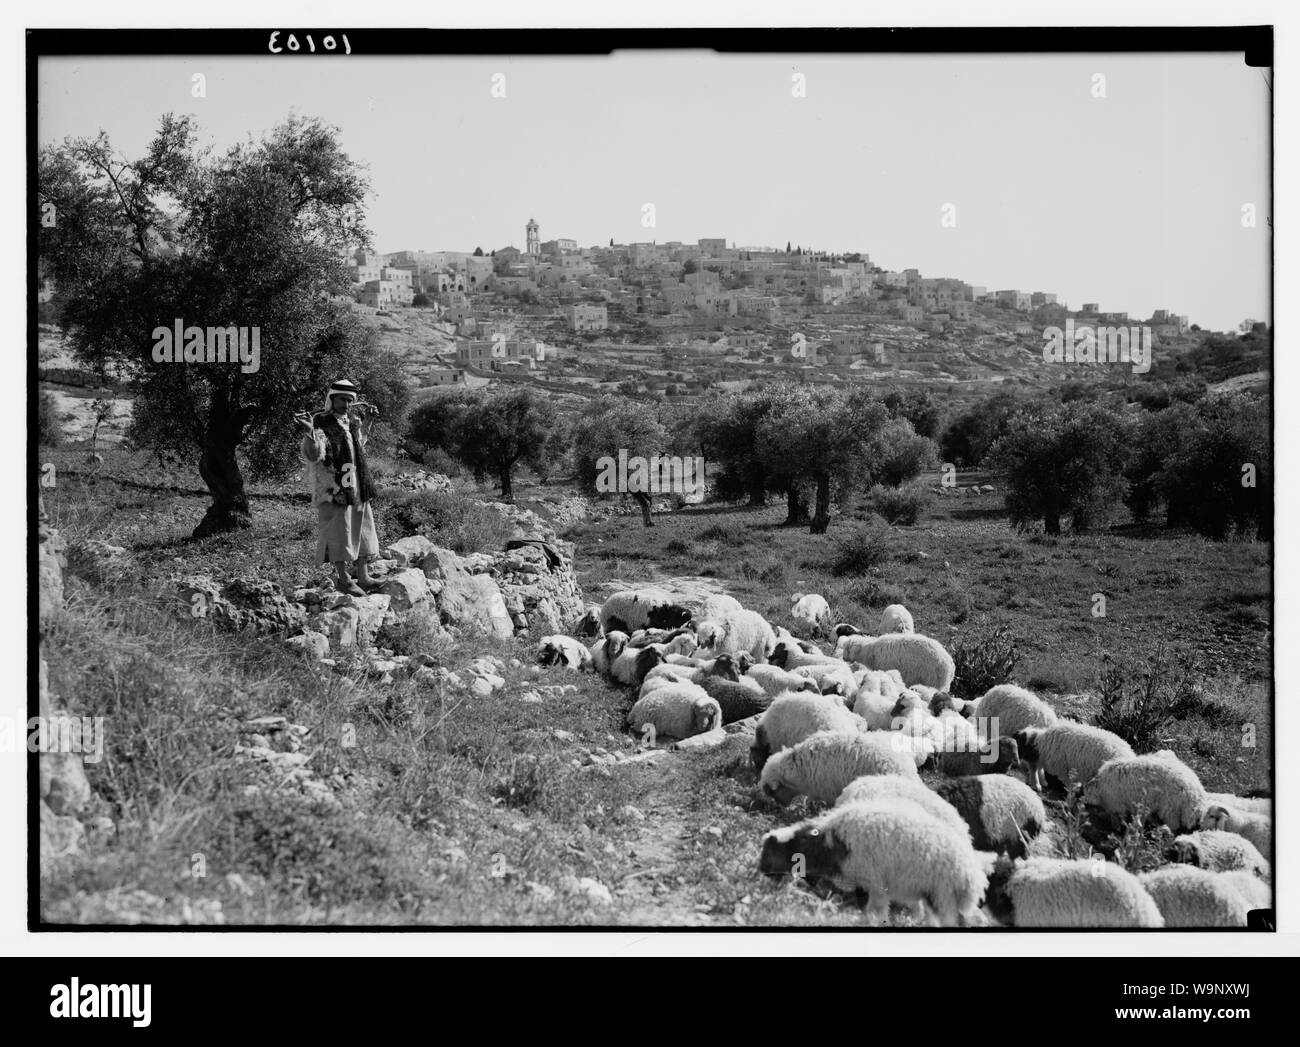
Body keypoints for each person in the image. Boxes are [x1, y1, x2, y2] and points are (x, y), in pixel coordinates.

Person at [295, 379, 381, 595]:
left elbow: (357, 445)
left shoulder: (351, 420)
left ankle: (363, 576)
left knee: (362, 526)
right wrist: (309, 433)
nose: (346, 404)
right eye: (342, 399)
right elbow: (314, 455)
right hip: (333, 487)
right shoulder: (321, 422)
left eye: (350, 400)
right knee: (339, 530)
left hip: (356, 482)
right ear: (332, 398)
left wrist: (368, 420)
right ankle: (343, 579)